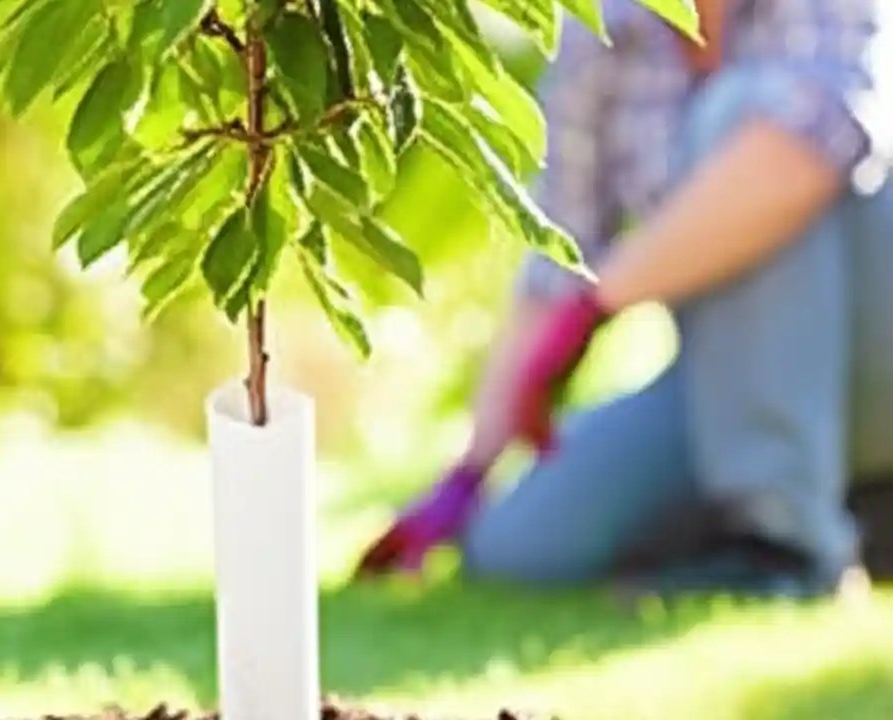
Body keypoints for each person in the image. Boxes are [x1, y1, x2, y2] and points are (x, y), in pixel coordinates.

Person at [358, 0, 893, 596]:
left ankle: (788, 547)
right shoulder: (603, 32)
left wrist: (600, 302)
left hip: (880, 337)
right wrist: (466, 476)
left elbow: (797, 160)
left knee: (735, 116)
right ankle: (855, 508)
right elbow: (556, 263)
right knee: (522, 543)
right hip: (748, 379)